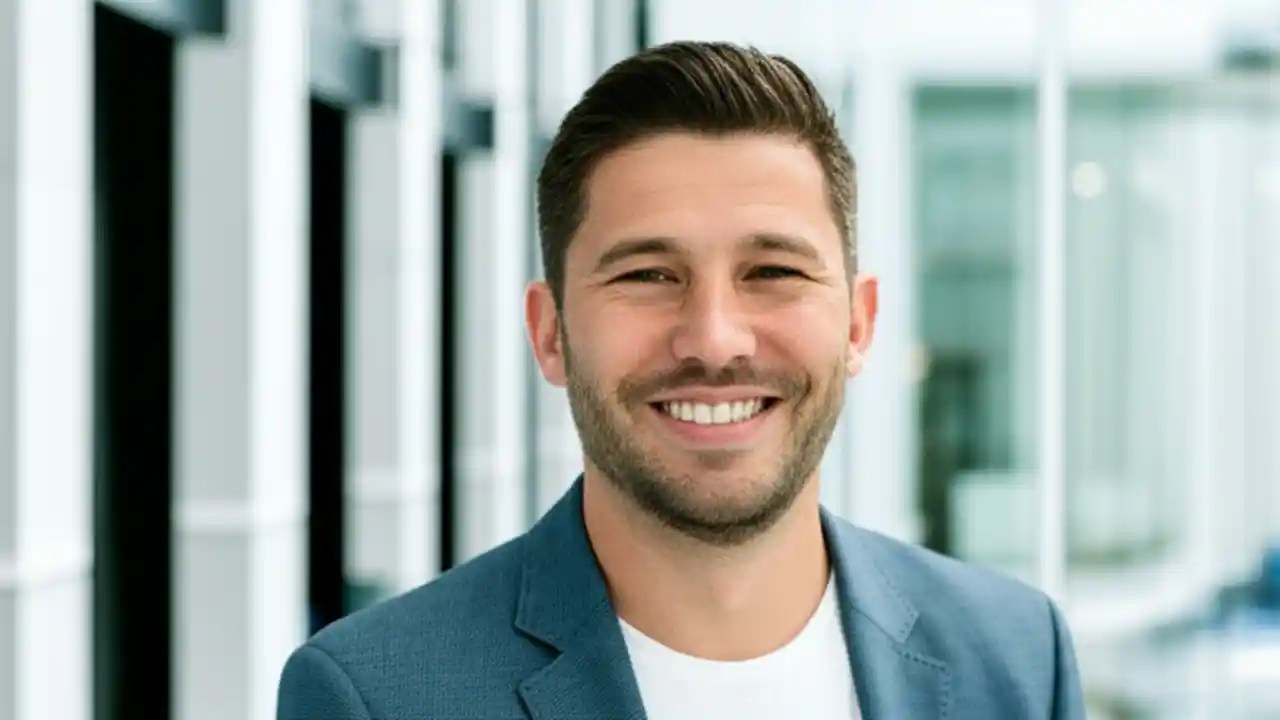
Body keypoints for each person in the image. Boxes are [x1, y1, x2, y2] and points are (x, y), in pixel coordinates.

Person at [277, 40, 1085, 719]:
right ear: (551, 333)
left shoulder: (1016, 661)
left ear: (857, 324)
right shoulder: (376, 697)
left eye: (771, 270)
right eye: (648, 275)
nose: (713, 338)